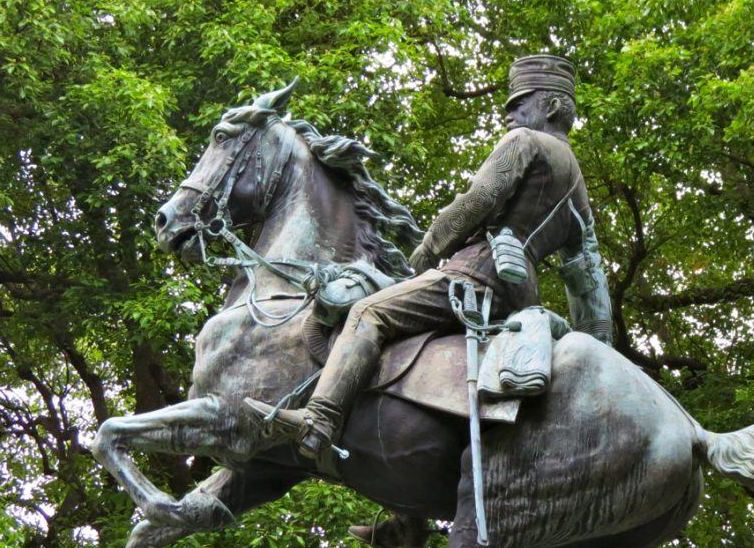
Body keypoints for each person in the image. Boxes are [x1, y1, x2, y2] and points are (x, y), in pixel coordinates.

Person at [246, 54, 612, 464]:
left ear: (552, 106)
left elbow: (479, 199)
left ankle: (319, 419)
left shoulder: (525, 142)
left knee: (368, 313)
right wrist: (598, 346)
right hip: (518, 300)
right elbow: (588, 277)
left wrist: (428, 250)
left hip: (473, 275)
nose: (508, 114)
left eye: (520, 103)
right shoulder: (579, 190)